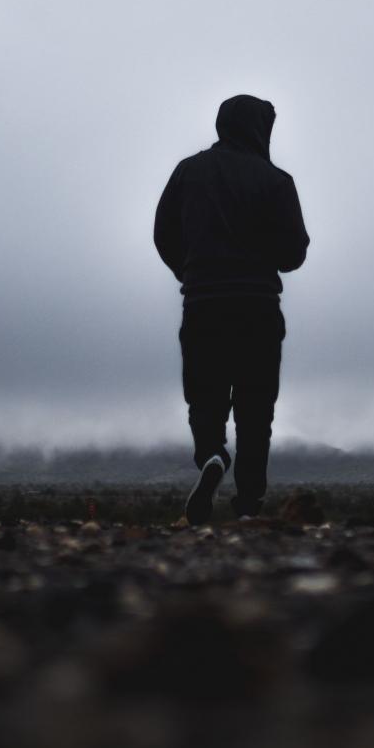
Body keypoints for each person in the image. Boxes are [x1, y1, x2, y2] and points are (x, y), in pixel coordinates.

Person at [154, 94, 310, 524]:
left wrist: (188, 271)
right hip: (258, 306)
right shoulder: (277, 182)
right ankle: (248, 504)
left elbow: (163, 231)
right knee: (256, 409)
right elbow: (294, 252)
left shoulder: (188, 172)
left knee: (205, 396)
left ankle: (212, 455)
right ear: (260, 129)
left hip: (204, 303)